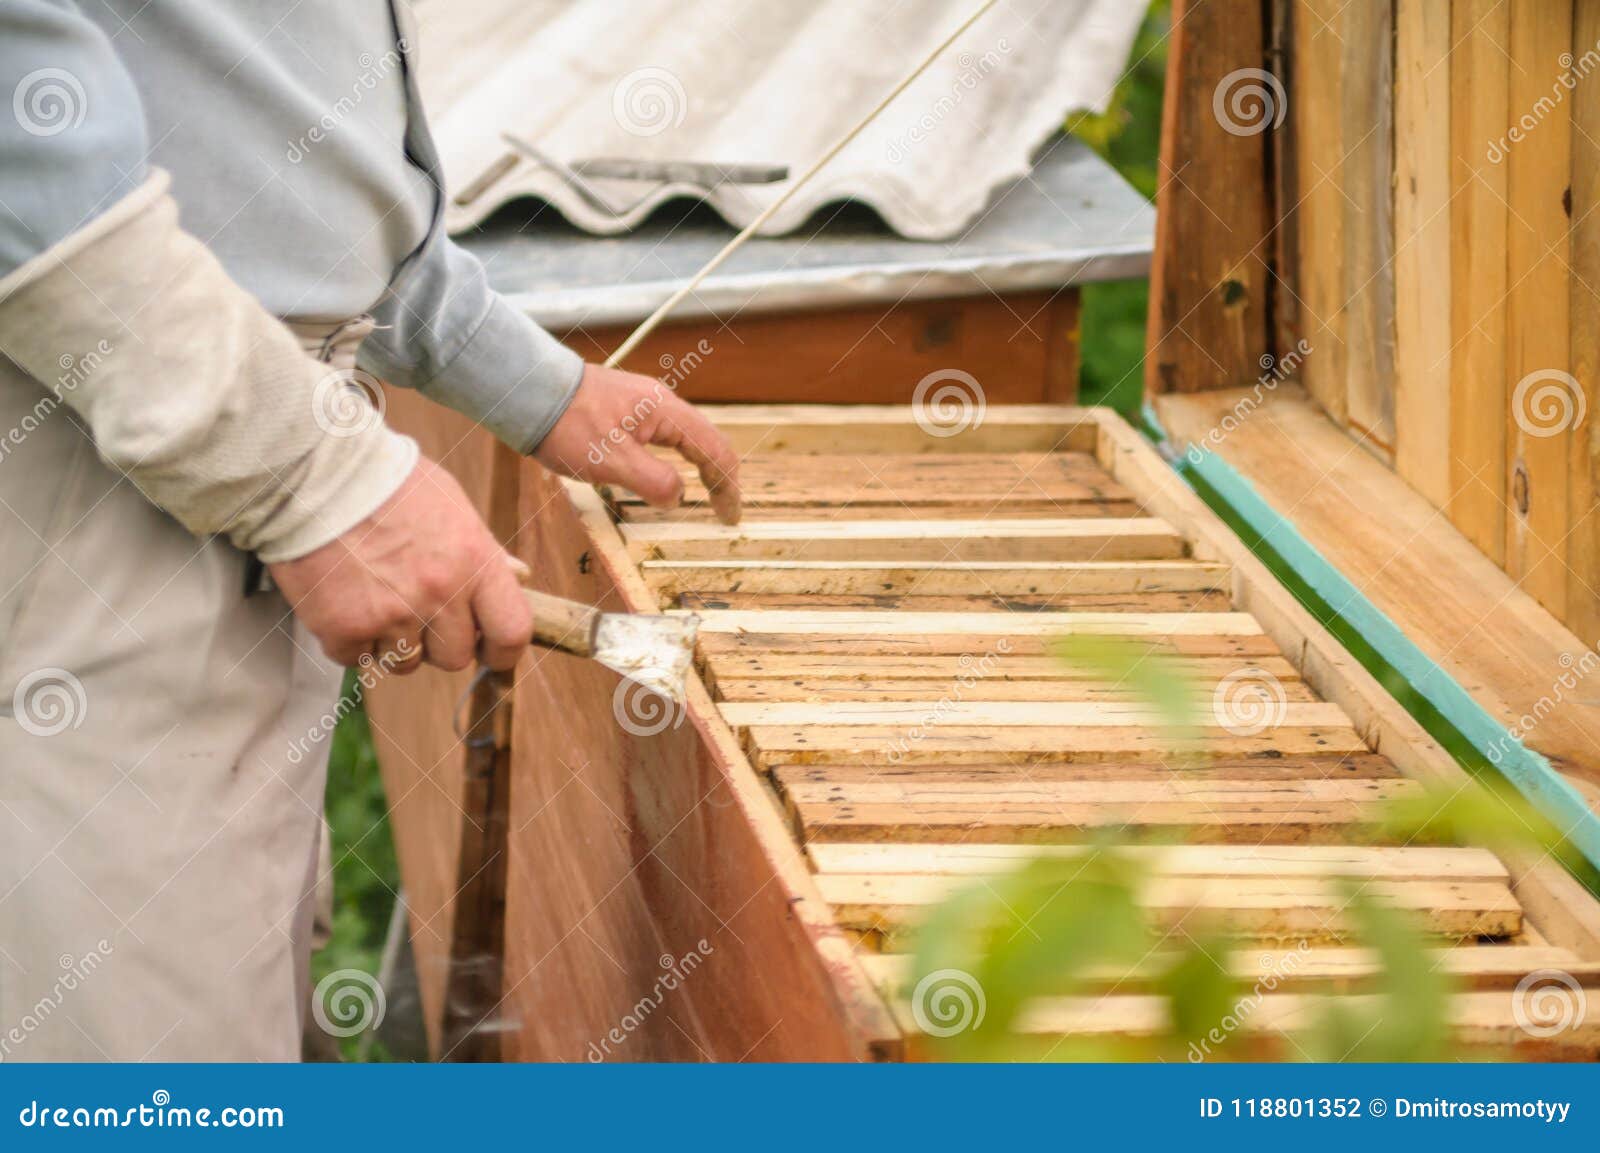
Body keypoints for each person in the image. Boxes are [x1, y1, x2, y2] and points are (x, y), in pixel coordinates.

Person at [0, 0, 739, 1061]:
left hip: (199, 436)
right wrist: (310, 475)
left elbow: (261, 136)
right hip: (84, 438)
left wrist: (534, 384)